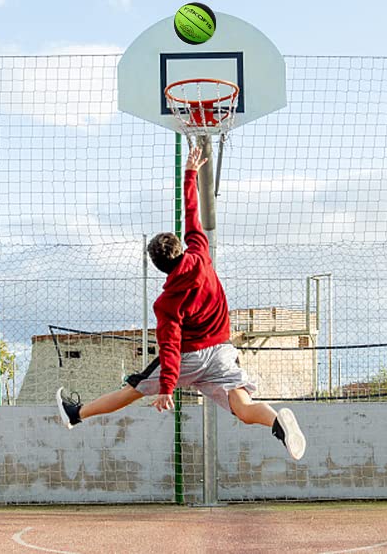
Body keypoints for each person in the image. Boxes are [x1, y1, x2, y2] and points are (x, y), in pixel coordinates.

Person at [56, 145, 306, 460]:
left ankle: (76, 414)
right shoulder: (200, 253)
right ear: (180, 247)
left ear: (158, 265)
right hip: (222, 351)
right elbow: (192, 212)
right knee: (242, 406)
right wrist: (190, 173)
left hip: (190, 357)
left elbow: (171, 347)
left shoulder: (167, 303)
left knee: (132, 389)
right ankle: (275, 423)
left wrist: (166, 388)